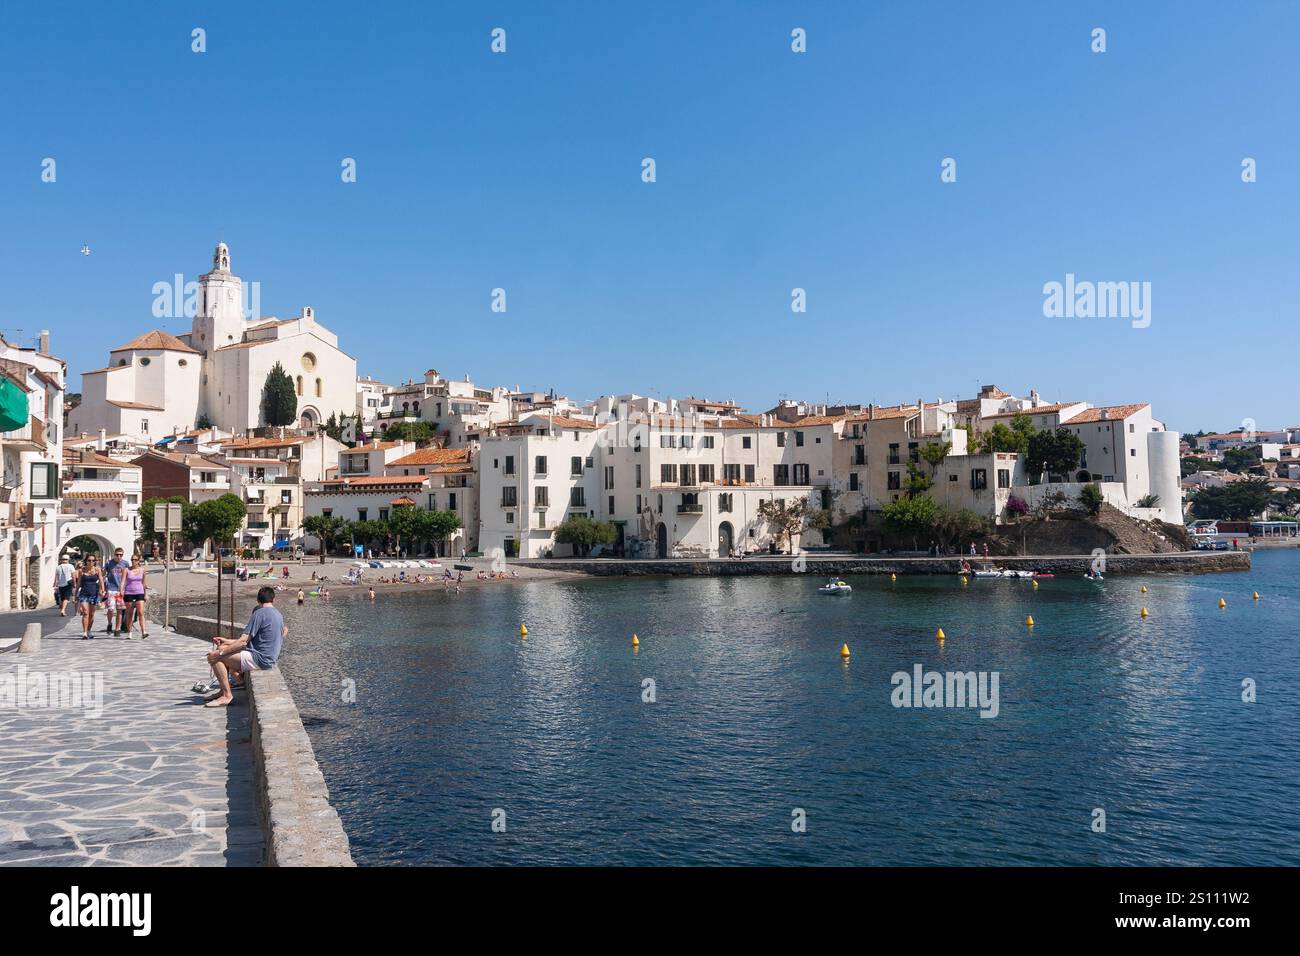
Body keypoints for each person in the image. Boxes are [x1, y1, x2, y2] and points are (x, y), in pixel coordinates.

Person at [204, 586, 286, 708]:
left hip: (259, 659)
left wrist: (221, 653)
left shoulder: (259, 613)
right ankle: (222, 691)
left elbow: (243, 642)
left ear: (258, 600)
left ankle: (227, 695)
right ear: (273, 600)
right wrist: (226, 642)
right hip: (267, 658)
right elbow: (251, 641)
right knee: (223, 648)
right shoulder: (278, 614)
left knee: (214, 657)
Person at [76, 556, 107, 640]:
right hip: (84, 594)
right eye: (89, 560)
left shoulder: (97, 570)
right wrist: (76, 594)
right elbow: (78, 583)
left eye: (93, 560)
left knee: (91, 614)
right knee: (85, 613)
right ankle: (85, 633)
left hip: (94, 594)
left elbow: (101, 581)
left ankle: (89, 630)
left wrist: (103, 591)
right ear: (86, 561)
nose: (91, 562)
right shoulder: (81, 570)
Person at [120, 555, 149, 639]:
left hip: (139, 592)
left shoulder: (142, 570)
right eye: (132, 559)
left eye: (135, 560)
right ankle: (129, 632)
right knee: (129, 613)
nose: (133, 561)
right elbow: (122, 582)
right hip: (129, 592)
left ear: (138, 561)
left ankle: (143, 632)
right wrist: (121, 590)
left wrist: (145, 594)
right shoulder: (126, 570)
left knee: (140, 612)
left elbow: (144, 583)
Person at [101, 548, 127, 636]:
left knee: (119, 610)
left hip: (121, 590)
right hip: (111, 589)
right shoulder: (109, 563)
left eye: (121, 555)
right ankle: (109, 623)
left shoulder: (125, 563)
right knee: (111, 609)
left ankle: (117, 629)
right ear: (114, 554)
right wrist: (102, 588)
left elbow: (128, 575)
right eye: (117, 554)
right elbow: (103, 574)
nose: (119, 556)